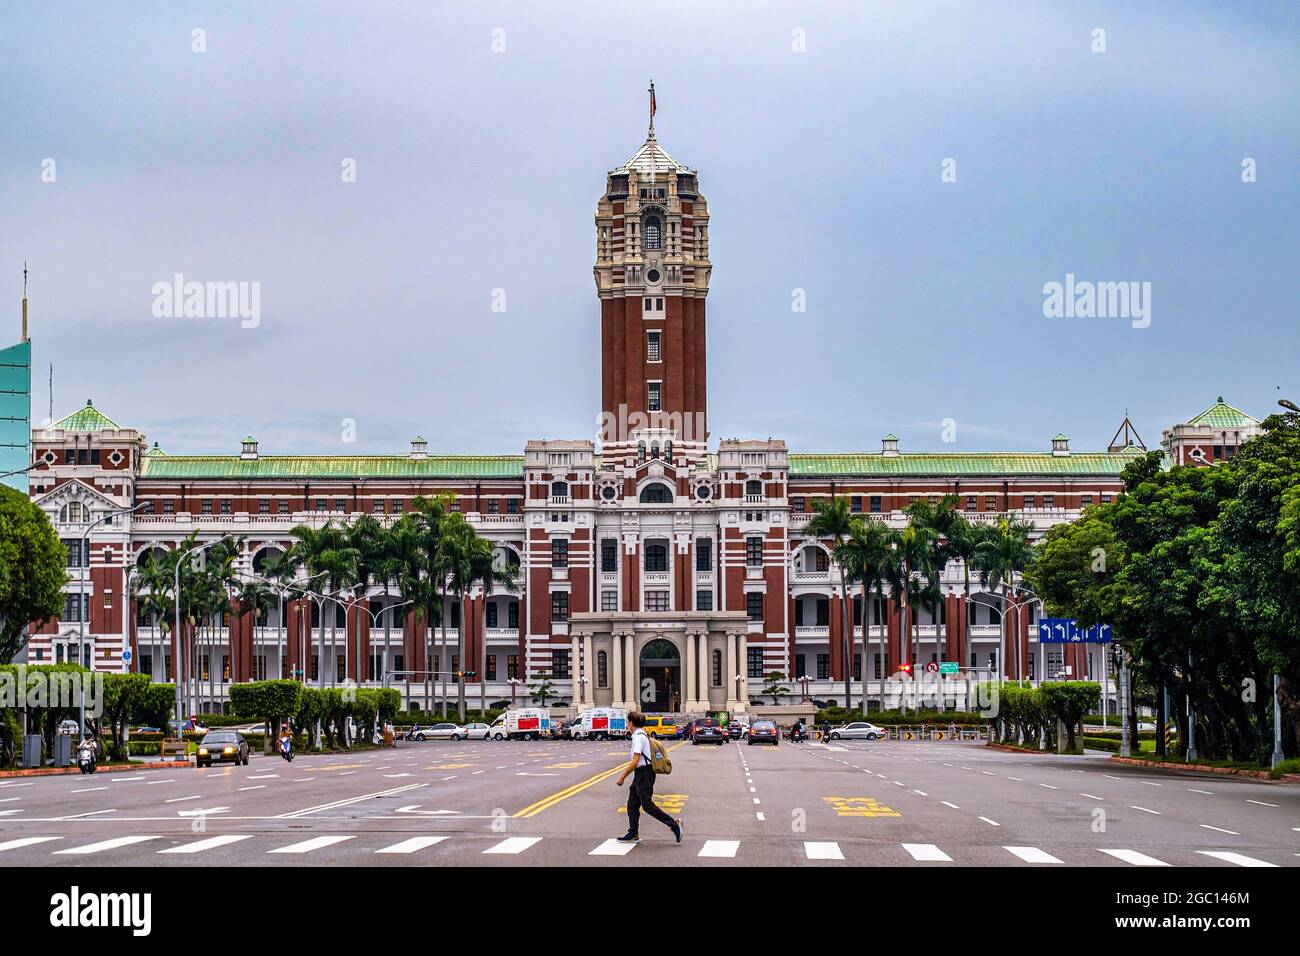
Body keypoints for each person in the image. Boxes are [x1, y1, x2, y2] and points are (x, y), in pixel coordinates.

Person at [615, 710, 682, 845]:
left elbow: (635, 761)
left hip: (644, 774)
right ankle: (633, 833)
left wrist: (622, 777)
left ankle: (674, 824)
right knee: (632, 804)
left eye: (628, 721)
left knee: (647, 805)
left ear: (631, 723)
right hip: (642, 773)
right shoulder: (641, 735)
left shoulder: (638, 737)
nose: (628, 724)